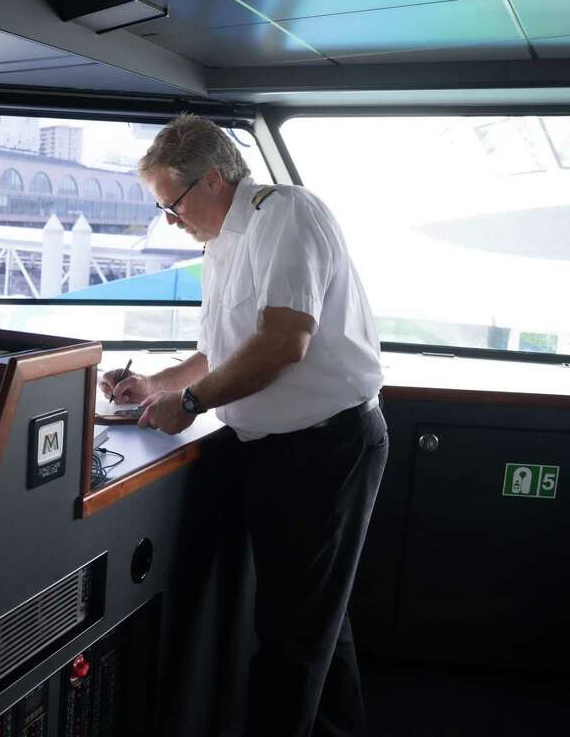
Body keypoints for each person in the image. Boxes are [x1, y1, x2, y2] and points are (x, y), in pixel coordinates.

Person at [99, 115, 386, 737]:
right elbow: (218, 351)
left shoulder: (285, 214)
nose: (168, 220)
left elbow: (285, 341)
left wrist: (193, 404)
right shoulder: (223, 244)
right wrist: (157, 385)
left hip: (325, 447)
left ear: (209, 180)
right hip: (275, 449)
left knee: (291, 637)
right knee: (314, 622)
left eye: (170, 204)